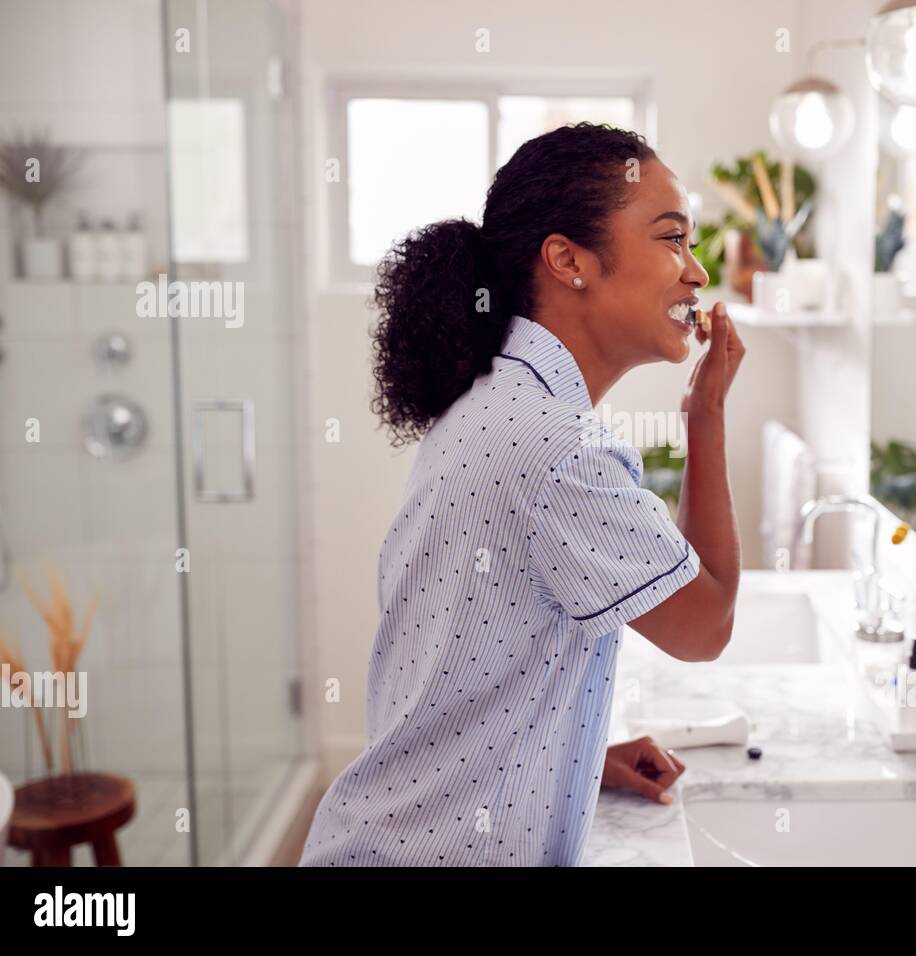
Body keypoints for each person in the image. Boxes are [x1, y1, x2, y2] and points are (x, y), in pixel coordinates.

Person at [300, 122, 743, 866]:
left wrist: (575, 759)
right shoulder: (557, 449)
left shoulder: (499, 403)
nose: (696, 273)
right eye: (672, 240)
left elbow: (464, 665)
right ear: (569, 259)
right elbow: (709, 626)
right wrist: (707, 415)